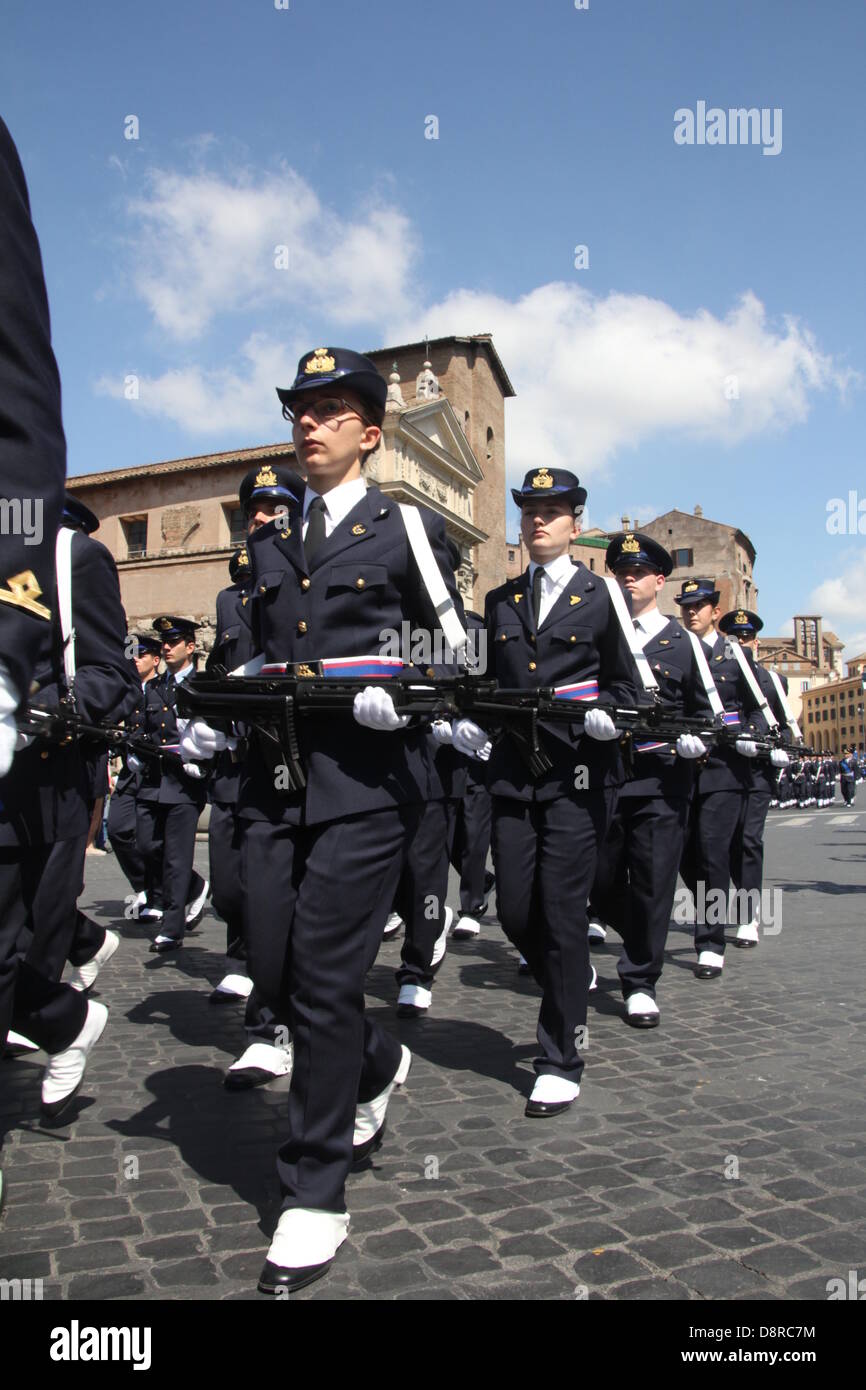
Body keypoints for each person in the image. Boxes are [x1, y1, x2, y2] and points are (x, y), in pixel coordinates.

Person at [184, 346, 464, 1293]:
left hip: (365, 788)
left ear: (369, 434)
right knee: (271, 959)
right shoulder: (269, 542)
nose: (311, 425)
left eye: (333, 411)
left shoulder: (404, 529)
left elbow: (454, 651)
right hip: (273, 781)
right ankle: (376, 1062)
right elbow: (259, 658)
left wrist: (407, 691)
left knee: (327, 969)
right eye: (302, 411)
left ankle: (312, 1193)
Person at [0, 115, 112, 1154]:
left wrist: (51, 702)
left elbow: (111, 668)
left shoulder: (75, 561)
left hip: (52, 758)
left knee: (25, 929)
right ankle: (63, 998)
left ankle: (60, 996)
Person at [470, 468, 637, 1118]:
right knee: (515, 912)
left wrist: (609, 715)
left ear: (575, 523)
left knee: (564, 915)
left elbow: (631, 688)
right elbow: (487, 687)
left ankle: (560, 1053)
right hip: (514, 776)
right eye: (530, 511)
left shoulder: (603, 597)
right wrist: (465, 725)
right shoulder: (501, 601)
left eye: (553, 511)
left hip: (577, 777)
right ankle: (568, 982)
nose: (538, 521)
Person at [588, 532, 715, 1027]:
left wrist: (697, 743)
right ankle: (639, 933)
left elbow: (707, 715)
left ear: (660, 580)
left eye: (637, 572)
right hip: (603, 775)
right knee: (597, 879)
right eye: (621, 571)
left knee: (652, 881)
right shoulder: (598, 632)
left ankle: (640, 979)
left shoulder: (683, 644)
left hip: (662, 781)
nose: (628, 578)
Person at [676, 581, 765, 978]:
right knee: (684, 855)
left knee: (714, 851)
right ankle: (712, 908)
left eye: (699, 606)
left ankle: (710, 941)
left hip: (725, 770)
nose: (691, 612)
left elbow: (759, 709)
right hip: (681, 768)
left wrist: (752, 736)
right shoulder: (675, 649)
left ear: (715, 610)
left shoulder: (735, 657)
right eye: (686, 606)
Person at [133, 617, 210, 953]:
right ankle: (194, 887)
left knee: (177, 858)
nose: (165, 647)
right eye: (163, 642)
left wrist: (204, 763)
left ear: (190, 647)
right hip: (153, 779)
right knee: (147, 845)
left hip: (183, 782)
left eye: (173, 642)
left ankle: (172, 926)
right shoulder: (155, 687)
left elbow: (215, 732)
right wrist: (134, 749)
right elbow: (142, 726)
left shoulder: (202, 684)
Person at [718, 610, 790, 948]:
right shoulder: (718, 674)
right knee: (729, 842)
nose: (740, 643)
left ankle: (748, 915)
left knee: (749, 838)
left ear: (756, 642)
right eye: (733, 638)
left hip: (759, 769)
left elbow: (783, 723)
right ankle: (744, 897)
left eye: (745, 637)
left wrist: (783, 749)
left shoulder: (773, 680)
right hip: (727, 767)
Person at [106, 634, 162, 916]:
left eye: (141, 655)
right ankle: (143, 886)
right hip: (130, 771)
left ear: (155, 659)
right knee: (117, 828)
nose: (135, 659)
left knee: (149, 839)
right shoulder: (128, 690)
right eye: (133, 655)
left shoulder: (163, 688)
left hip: (155, 772)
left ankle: (164, 893)